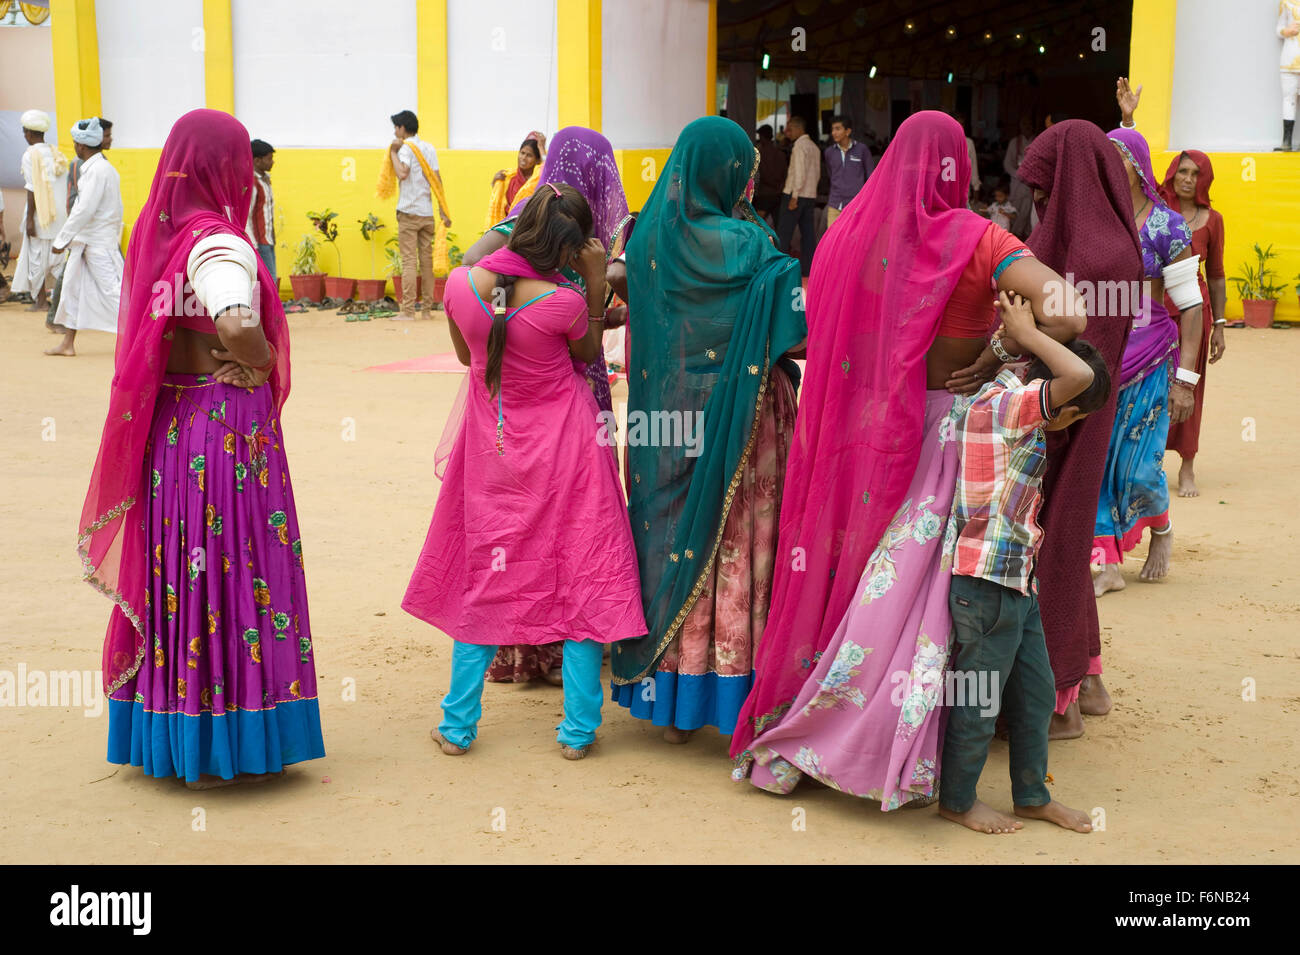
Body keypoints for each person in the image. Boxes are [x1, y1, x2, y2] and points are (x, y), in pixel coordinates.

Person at [730, 111, 1086, 807]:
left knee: (855, 575)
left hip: (856, 434)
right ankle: (876, 742)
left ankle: (802, 727)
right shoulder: (978, 240)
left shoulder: (843, 237)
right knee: (914, 594)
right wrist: (1005, 345)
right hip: (943, 433)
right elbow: (1069, 313)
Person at [82, 109, 325, 788]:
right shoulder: (218, 242)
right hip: (222, 432)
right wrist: (264, 352)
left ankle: (179, 731)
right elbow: (235, 319)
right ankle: (238, 736)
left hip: (175, 426)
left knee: (188, 576)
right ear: (230, 169)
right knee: (236, 566)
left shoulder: (157, 237)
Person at [402, 184, 646, 760]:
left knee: (485, 577)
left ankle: (459, 726)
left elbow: (469, 358)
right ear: (567, 248)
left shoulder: (461, 286)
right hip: (568, 454)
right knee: (582, 576)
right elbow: (587, 354)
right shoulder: (562, 300)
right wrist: (591, 283)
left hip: (495, 451)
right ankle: (578, 732)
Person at [610, 116, 806, 741]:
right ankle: (726, 698)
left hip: (665, 416)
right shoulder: (751, 246)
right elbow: (795, 334)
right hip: (744, 414)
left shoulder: (645, 243)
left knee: (671, 537)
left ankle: (670, 707)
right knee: (738, 544)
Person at [463, 126, 633, 686]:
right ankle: (564, 640)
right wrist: (588, 291)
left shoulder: (526, 219)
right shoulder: (578, 234)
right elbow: (586, 333)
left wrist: (502, 322)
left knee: (517, 516)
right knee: (571, 516)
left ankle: (519, 647)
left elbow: (472, 267)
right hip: (569, 384)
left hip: (510, 390)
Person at [938, 292, 1107, 835]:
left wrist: (1018, 336)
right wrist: (1033, 335)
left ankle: (1032, 795)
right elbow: (1077, 374)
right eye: (1075, 414)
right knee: (979, 701)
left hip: (1014, 579)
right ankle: (958, 801)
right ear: (1063, 405)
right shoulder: (1013, 407)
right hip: (986, 582)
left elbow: (1053, 370)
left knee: (1034, 695)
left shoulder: (1005, 393)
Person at [1015, 120, 1145, 740]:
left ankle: (1056, 704)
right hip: (1067, 412)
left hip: (1070, 416)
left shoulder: (1098, 255)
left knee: (1057, 545)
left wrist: (1011, 343)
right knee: (1061, 540)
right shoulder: (1089, 238)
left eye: (1044, 190)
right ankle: (1088, 680)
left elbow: (1083, 365)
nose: (1037, 203)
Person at [1092, 126, 1204, 598]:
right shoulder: (1094, 221)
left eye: (1115, 155)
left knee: (1138, 466)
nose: (1106, 164)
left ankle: (1160, 525)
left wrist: (1186, 381)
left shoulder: (1167, 226)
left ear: (1136, 165)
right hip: (1099, 355)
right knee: (1094, 462)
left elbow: (1193, 306)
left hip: (1153, 354)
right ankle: (1106, 564)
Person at [1160, 151, 1227, 497]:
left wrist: (1220, 325)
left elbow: (1215, 275)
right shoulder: (1156, 210)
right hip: (1156, 309)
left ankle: (1187, 465)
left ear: (1204, 180)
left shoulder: (1212, 219)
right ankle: (1149, 461)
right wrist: (1129, 121)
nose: (1187, 179)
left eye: (1195, 174)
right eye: (1182, 171)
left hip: (1195, 313)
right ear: (1172, 174)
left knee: (1190, 389)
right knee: (1154, 387)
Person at [44, 118, 122, 358]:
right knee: (72, 291)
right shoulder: (95, 168)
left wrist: (60, 241)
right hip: (86, 243)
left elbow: (84, 210)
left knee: (115, 293)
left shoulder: (98, 170)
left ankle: (146, 337)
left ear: (80, 146)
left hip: (99, 245)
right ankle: (68, 343)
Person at [382, 109, 452, 320]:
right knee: (426, 262)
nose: (395, 131)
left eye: (396, 127)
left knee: (410, 261)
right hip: (427, 213)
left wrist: (393, 152)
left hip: (409, 212)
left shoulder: (405, 149)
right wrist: (443, 210)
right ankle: (427, 311)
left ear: (403, 128)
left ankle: (409, 311)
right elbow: (436, 180)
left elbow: (402, 173)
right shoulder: (429, 148)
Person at [12, 109, 68, 311]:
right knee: (57, 258)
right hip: (60, 217)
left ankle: (41, 302)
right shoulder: (56, 152)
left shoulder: (30, 155)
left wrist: (29, 219)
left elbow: (32, 188)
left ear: (28, 132)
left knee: (37, 259)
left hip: (40, 217)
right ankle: (60, 302)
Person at [776, 115, 821, 275]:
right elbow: (817, 174)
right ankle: (808, 269)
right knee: (808, 234)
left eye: (790, 129)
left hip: (796, 194)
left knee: (784, 233)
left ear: (798, 128)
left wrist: (794, 196)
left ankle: (779, 269)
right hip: (809, 195)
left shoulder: (799, 147)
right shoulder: (814, 147)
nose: (788, 133)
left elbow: (800, 173)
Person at [824, 115, 874, 229]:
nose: (833, 133)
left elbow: (871, 177)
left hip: (856, 205)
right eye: (832, 129)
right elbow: (830, 174)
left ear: (848, 131)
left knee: (854, 241)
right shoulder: (829, 152)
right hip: (834, 204)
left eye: (838, 129)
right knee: (832, 241)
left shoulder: (862, 150)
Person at [485, 137, 541, 230]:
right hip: (505, 228)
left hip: (528, 228)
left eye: (529, 155)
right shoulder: (508, 176)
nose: (523, 158)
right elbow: (498, 200)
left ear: (537, 160)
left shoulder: (537, 181)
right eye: (522, 153)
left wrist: (542, 148)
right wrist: (495, 183)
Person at [246, 139, 276, 279]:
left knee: (271, 279)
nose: (272, 162)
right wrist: (253, 243)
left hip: (268, 240)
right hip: (259, 242)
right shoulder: (252, 183)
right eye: (269, 159)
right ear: (257, 161)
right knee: (269, 281)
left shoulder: (265, 180)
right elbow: (248, 214)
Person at [1003, 116, 1035, 238]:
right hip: (1016, 183)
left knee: (1027, 212)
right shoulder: (1014, 142)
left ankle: (1023, 237)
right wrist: (1018, 175)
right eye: (1024, 124)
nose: (1026, 126)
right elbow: (1007, 164)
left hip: (1030, 183)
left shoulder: (1037, 141)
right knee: (1014, 210)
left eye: (1029, 124)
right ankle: (1012, 237)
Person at [753, 124, 788, 225]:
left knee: (757, 223)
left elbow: (759, 174)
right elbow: (785, 174)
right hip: (778, 194)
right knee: (778, 225)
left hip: (765, 193)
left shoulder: (760, 152)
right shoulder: (780, 153)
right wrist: (779, 188)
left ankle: (758, 241)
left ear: (762, 137)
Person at [1277, 1, 1299, 151]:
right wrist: (1286, 31)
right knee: (1288, 98)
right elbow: (1278, 29)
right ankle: (1287, 141)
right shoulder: (1286, 2)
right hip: (1289, 59)